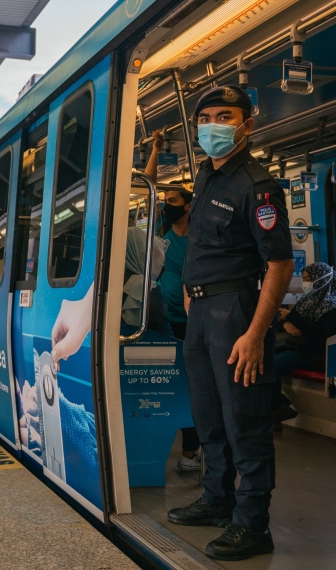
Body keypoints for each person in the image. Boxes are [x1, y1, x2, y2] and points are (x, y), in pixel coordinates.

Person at [167, 85, 294, 562]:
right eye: (206, 118)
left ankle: (252, 524)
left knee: (245, 419)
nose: (213, 126)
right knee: (208, 415)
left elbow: (279, 263)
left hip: (235, 312)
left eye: (225, 116)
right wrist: (189, 290)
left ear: (247, 125)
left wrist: (256, 333)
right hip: (199, 312)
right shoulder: (205, 176)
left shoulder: (258, 185)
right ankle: (217, 498)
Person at [145, 129, 201, 472]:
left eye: (175, 201)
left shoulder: (200, 236)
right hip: (164, 319)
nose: (167, 205)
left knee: (191, 387)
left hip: (193, 321)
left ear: (190, 205)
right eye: (166, 201)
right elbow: (148, 186)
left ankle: (193, 449)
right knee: (171, 383)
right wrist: (155, 148)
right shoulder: (162, 228)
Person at [272, 262, 336, 420]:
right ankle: (276, 407)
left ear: (320, 279)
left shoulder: (333, 307)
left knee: (273, 365)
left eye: (308, 279)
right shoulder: (306, 302)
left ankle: (278, 406)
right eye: (304, 279)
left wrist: (291, 317)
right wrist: (285, 323)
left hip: (317, 354)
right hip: (300, 347)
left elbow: (319, 333)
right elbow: (288, 322)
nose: (305, 283)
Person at [121, 227, 171, 336]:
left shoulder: (111, 284)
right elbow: (163, 333)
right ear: (141, 257)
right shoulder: (147, 289)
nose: (160, 265)